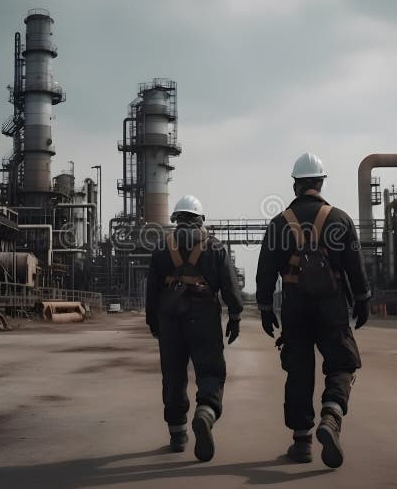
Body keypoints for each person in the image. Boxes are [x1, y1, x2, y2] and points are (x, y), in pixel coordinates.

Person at [255, 152, 371, 468]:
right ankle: (331, 414)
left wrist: (265, 308)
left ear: (296, 185)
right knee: (342, 363)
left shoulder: (279, 224)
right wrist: (362, 300)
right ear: (320, 183)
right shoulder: (340, 219)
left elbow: (265, 271)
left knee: (298, 370)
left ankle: (302, 443)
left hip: (295, 307)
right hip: (331, 305)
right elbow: (355, 266)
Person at [146, 194, 244, 461]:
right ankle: (206, 412)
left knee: (173, 374)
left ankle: (178, 434)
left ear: (176, 219)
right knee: (210, 370)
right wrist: (235, 316)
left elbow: (152, 291)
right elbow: (229, 285)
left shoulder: (161, 248)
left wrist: (153, 323)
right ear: (201, 219)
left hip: (170, 320)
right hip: (203, 318)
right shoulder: (215, 247)